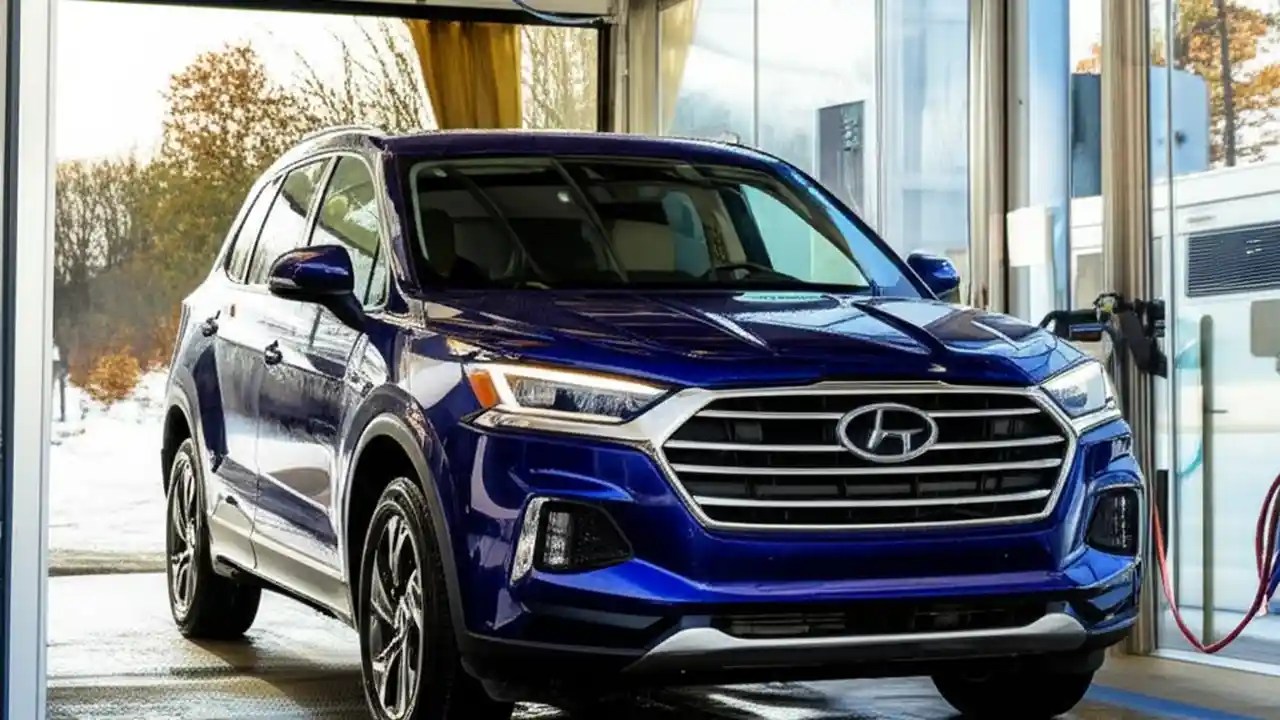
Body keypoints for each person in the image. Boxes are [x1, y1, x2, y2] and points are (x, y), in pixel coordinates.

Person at [420, 208, 488, 286]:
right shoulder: (418, 275)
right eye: (430, 236)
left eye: (442, 234)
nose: (437, 241)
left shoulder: (470, 273)